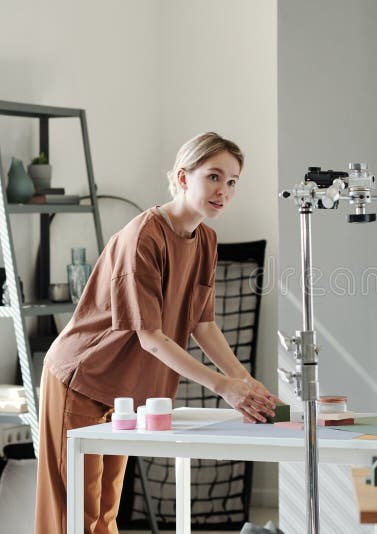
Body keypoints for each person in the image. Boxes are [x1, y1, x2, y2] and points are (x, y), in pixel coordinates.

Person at [34, 132, 278, 534]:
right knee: (72, 516)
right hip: (81, 378)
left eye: (232, 181)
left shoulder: (206, 239)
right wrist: (223, 387)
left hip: (125, 390)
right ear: (183, 178)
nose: (224, 190)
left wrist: (245, 383)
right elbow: (150, 336)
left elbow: (203, 324)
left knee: (105, 514)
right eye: (214, 177)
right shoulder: (143, 236)